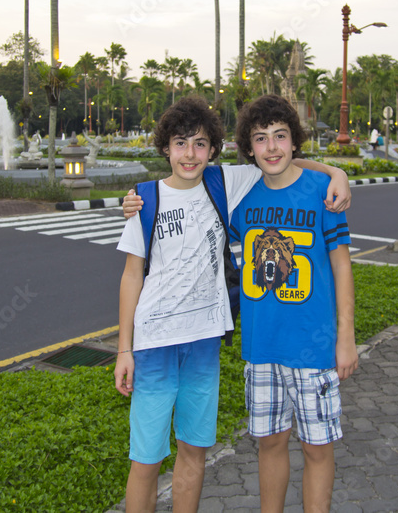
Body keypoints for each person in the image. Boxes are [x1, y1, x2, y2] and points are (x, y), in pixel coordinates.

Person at [113, 96, 350, 513]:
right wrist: (123, 348)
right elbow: (134, 271)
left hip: (254, 345)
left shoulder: (269, 190)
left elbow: (282, 165)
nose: (190, 154)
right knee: (156, 457)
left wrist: (336, 170)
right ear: (165, 148)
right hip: (200, 347)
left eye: (200, 144)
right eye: (180, 144)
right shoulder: (180, 197)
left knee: (206, 450)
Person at [230, 94, 358, 512]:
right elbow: (186, 182)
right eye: (261, 138)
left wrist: (346, 337)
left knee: (317, 447)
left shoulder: (321, 192)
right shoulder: (241, 197)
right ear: (249, 148)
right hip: (262, 347)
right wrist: (134, 202)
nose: (271, 148)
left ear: (294, 140)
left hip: (313, 347)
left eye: (280, 136)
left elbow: (342, 268)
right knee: (270, 443)